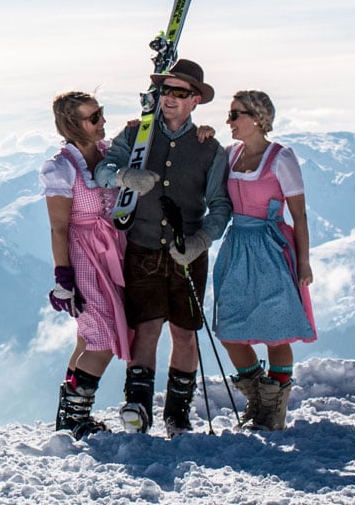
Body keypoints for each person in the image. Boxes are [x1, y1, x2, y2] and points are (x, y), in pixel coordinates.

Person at [94, 59, 231, 437]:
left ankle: (177, 414)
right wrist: (123, 175)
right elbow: (103, 170)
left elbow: (220, 205)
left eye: (179, 92)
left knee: (185, 332)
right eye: (165, 90)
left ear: (196, 100)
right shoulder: (137, 134)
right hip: (142, 246)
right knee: (147, 328)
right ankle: (137, 406)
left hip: (188, 252)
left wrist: (202, 240)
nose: (169, 98)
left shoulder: (211, 149)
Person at [213, 90, 316, 431]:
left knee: (276, 330)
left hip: (271, 248)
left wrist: (303, 262)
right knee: (229, 329)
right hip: (237, 246)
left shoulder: (280, 158)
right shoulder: (230, 155)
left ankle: (273, 411)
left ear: (257, 118)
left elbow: (298, 215)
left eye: (235, 114)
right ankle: (258, 396)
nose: (229, 121)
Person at [40, 91, 132, 438]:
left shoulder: (107, 154)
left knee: (88, 335)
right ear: (72, 125)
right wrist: (63, 277)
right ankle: (75, 413)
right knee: (103, 335)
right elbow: (59, 226)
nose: (102, 122)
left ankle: (69, 413)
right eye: (94, 118)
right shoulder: (61, 167)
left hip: (112, 250)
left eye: (101, 114)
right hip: (85, 255)